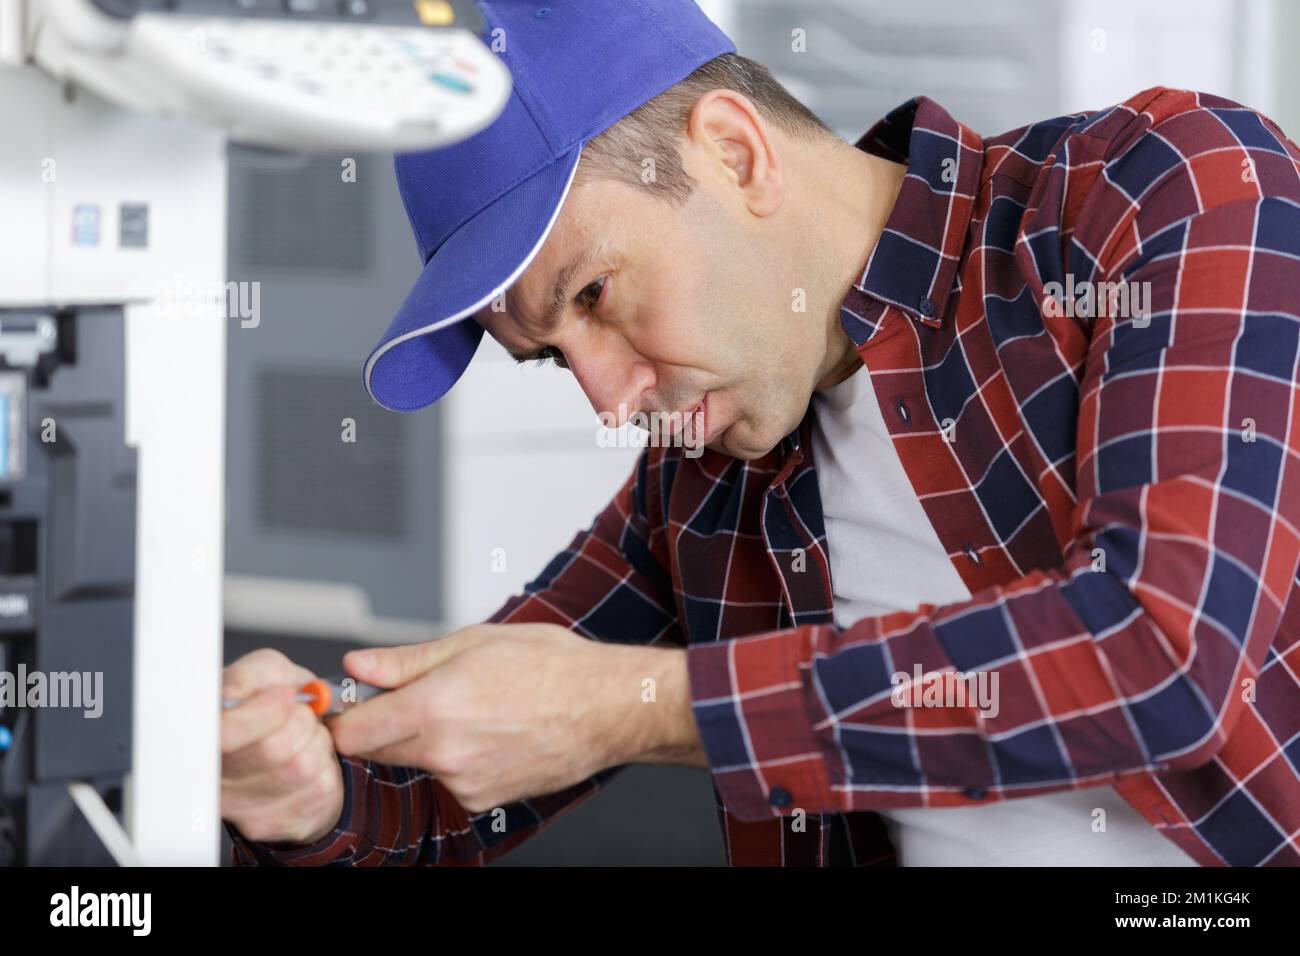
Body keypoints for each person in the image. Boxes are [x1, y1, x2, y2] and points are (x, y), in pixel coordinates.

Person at [220, 0, 1300, 866]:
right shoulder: (700, 480)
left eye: (593, 294)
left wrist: (639, 703)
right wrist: (312, 796)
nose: (605, 397)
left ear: (734, 156)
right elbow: (442, 795)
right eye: (551, 353)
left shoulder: (1169, 190)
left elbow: (1163, 658)